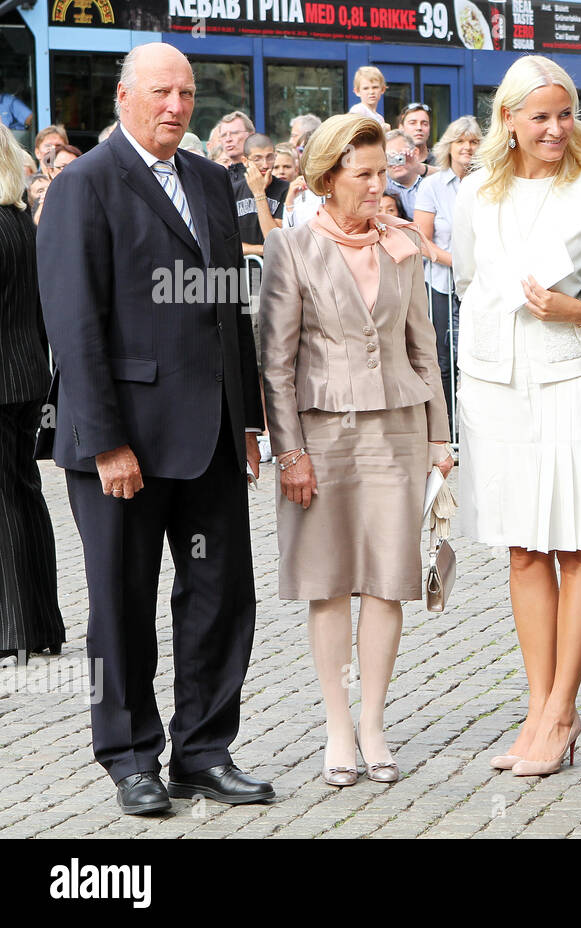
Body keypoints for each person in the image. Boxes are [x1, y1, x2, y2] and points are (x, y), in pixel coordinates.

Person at [36, 42, 272, 815]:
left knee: (220, 595)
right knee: (123, 603)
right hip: (124, 443)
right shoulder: (85, 186)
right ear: (125, 98)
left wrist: (248, 421)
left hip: (207, 435)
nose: (177, 105)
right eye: (161, 92)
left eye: (187, 92)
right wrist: (106, 441)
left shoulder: (210, 180)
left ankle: (203, 751)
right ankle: (130, 757)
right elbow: (74, 325)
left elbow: (227, 309)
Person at [259, 113, 453, 788]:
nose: (380, 187)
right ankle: (338, 726)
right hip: (323, 434)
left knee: (388, 577)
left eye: (384, 173)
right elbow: (275, 363)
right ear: (327, 177)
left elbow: (423, 345)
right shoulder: (291, 248)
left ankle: (374, 721)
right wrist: (290, 453)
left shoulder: (402, 242)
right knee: (328, 578)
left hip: (398, 428)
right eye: (364, 175)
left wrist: (439, 435)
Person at [450, 56, 581, 778]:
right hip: (495, 385)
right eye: (540, 115)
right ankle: (538, 704)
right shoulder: (473, 195)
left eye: (564, 113)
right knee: (524, 548)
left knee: (577, 542)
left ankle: (561, 710)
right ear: (510, 120)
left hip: (569, 378)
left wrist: (574, 310)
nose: (554, 128)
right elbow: (463, 280)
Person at [0, 124, 64, 662]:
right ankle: (41, 623)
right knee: (24, 492)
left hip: (4, 381)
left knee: (6, 500)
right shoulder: (22, 221)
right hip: (26, 377)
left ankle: (15, 631)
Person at [415, 114, 481, 419]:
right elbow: (422, 241)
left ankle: (473, 425)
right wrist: (459, 262)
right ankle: (446, 429)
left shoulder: (489, 183)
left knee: (476, 355)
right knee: (442, 359)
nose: (467, 147)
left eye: (474, 141)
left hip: (481, 286)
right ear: (449, 147)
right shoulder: (432, 186)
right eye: (461, 141)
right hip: (441, 284)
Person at [231, 133, 287, 256]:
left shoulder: (285, 190)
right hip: (242, 271)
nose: (265, 165)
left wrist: (259, 193)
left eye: (270, 157)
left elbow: (274, 239)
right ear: (245, 161)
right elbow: (227, 243)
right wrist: (261, 250)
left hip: (274, 270)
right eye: (257, 159)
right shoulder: (232, 191)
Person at [383, 130, 424, 219]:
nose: (395, 162)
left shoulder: (430, 184)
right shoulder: (380, 186)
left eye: (400, 155)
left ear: (415, 153)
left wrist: (418, 167)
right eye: (389, 157)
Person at [396, 102, 434, 168]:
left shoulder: (442, 162)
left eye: (424, 124)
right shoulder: (393, 163)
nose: (419, 128)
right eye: (412, 123)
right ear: (401, 128)